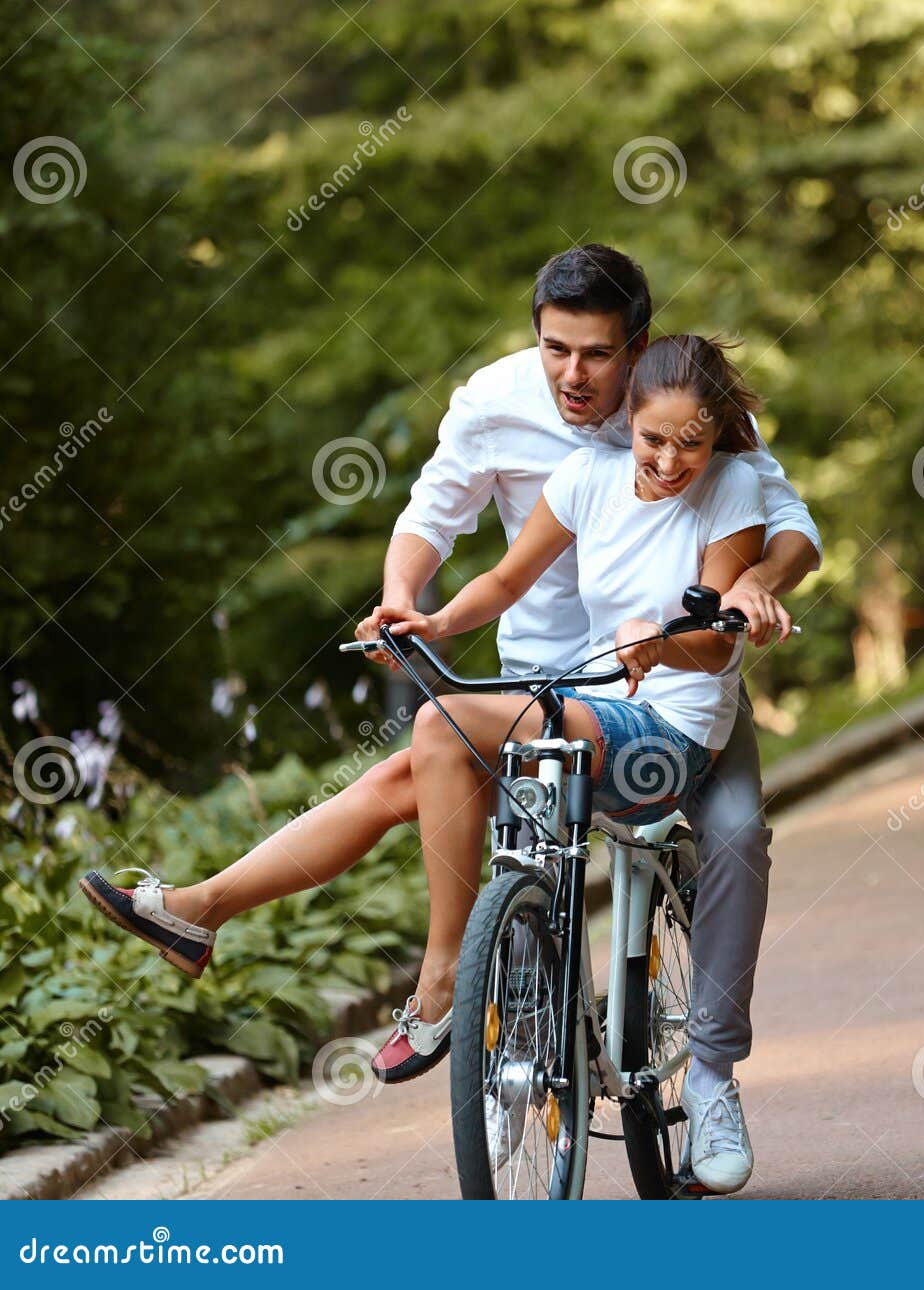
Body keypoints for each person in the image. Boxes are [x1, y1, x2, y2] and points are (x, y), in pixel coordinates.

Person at [78, 244, 821, 1194]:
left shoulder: (699, 418)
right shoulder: (512, 413)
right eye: (557, 351)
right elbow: (463, 542)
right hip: (547, 683)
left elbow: (783, 522)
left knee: (736, 835)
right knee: (416, 772)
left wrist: (744, 590)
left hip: (664, 699)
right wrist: (408, 605)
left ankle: (674, 1066)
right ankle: (203, 912)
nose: (574, 378)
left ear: (636, 353)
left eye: (597, 356)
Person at [373, 333, 764, 1189]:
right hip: (594, 703)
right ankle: (491, 945)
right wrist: (433, 624)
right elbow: (506, 582)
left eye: (689, 443)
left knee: (453, 731)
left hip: (674, 732)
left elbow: (716, 647)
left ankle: (706, 1084)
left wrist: (658, 643)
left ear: (716, 435)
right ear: (629, 421)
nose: (668, 461)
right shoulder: (587, 477)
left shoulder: (733, 490)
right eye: (653, 439)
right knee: (443, 727)